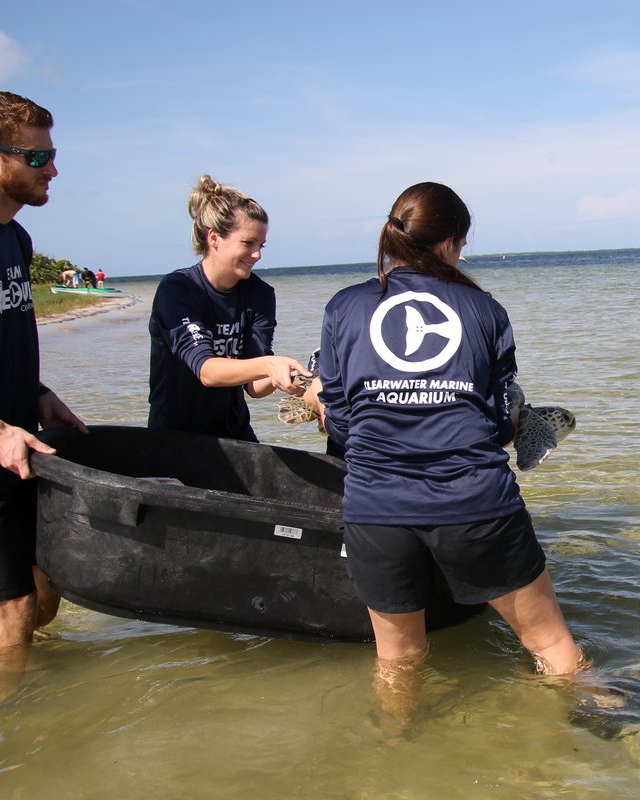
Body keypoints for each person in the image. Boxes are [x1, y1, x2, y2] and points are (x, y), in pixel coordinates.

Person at [304, 182, 584, 709]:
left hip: (375, 508)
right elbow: (501, 419)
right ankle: (604, 745)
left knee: (398, 660)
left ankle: (394, 756)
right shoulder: (483, 309)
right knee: (549, 643)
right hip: (476, 503)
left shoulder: (344, 307)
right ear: (453, 243)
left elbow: (340, 420)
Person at [0, 91, 86, 674]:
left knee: (47, 589)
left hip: (21, 445)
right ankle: (7, 746)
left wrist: (39, 395)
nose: (53, 169)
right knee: (14, 604)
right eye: (37, 158)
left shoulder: (15, 239)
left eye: (51, 154)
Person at [147, 174, 305, 442]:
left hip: (234, 433)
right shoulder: (178, 290)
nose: (257, 255)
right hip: (173, 437)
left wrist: (288, 374)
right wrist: (269, 364)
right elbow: (207, 371)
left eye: (261, 245)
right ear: (214, 238)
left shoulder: (260, 294)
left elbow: (254, 387)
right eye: (248, 243)